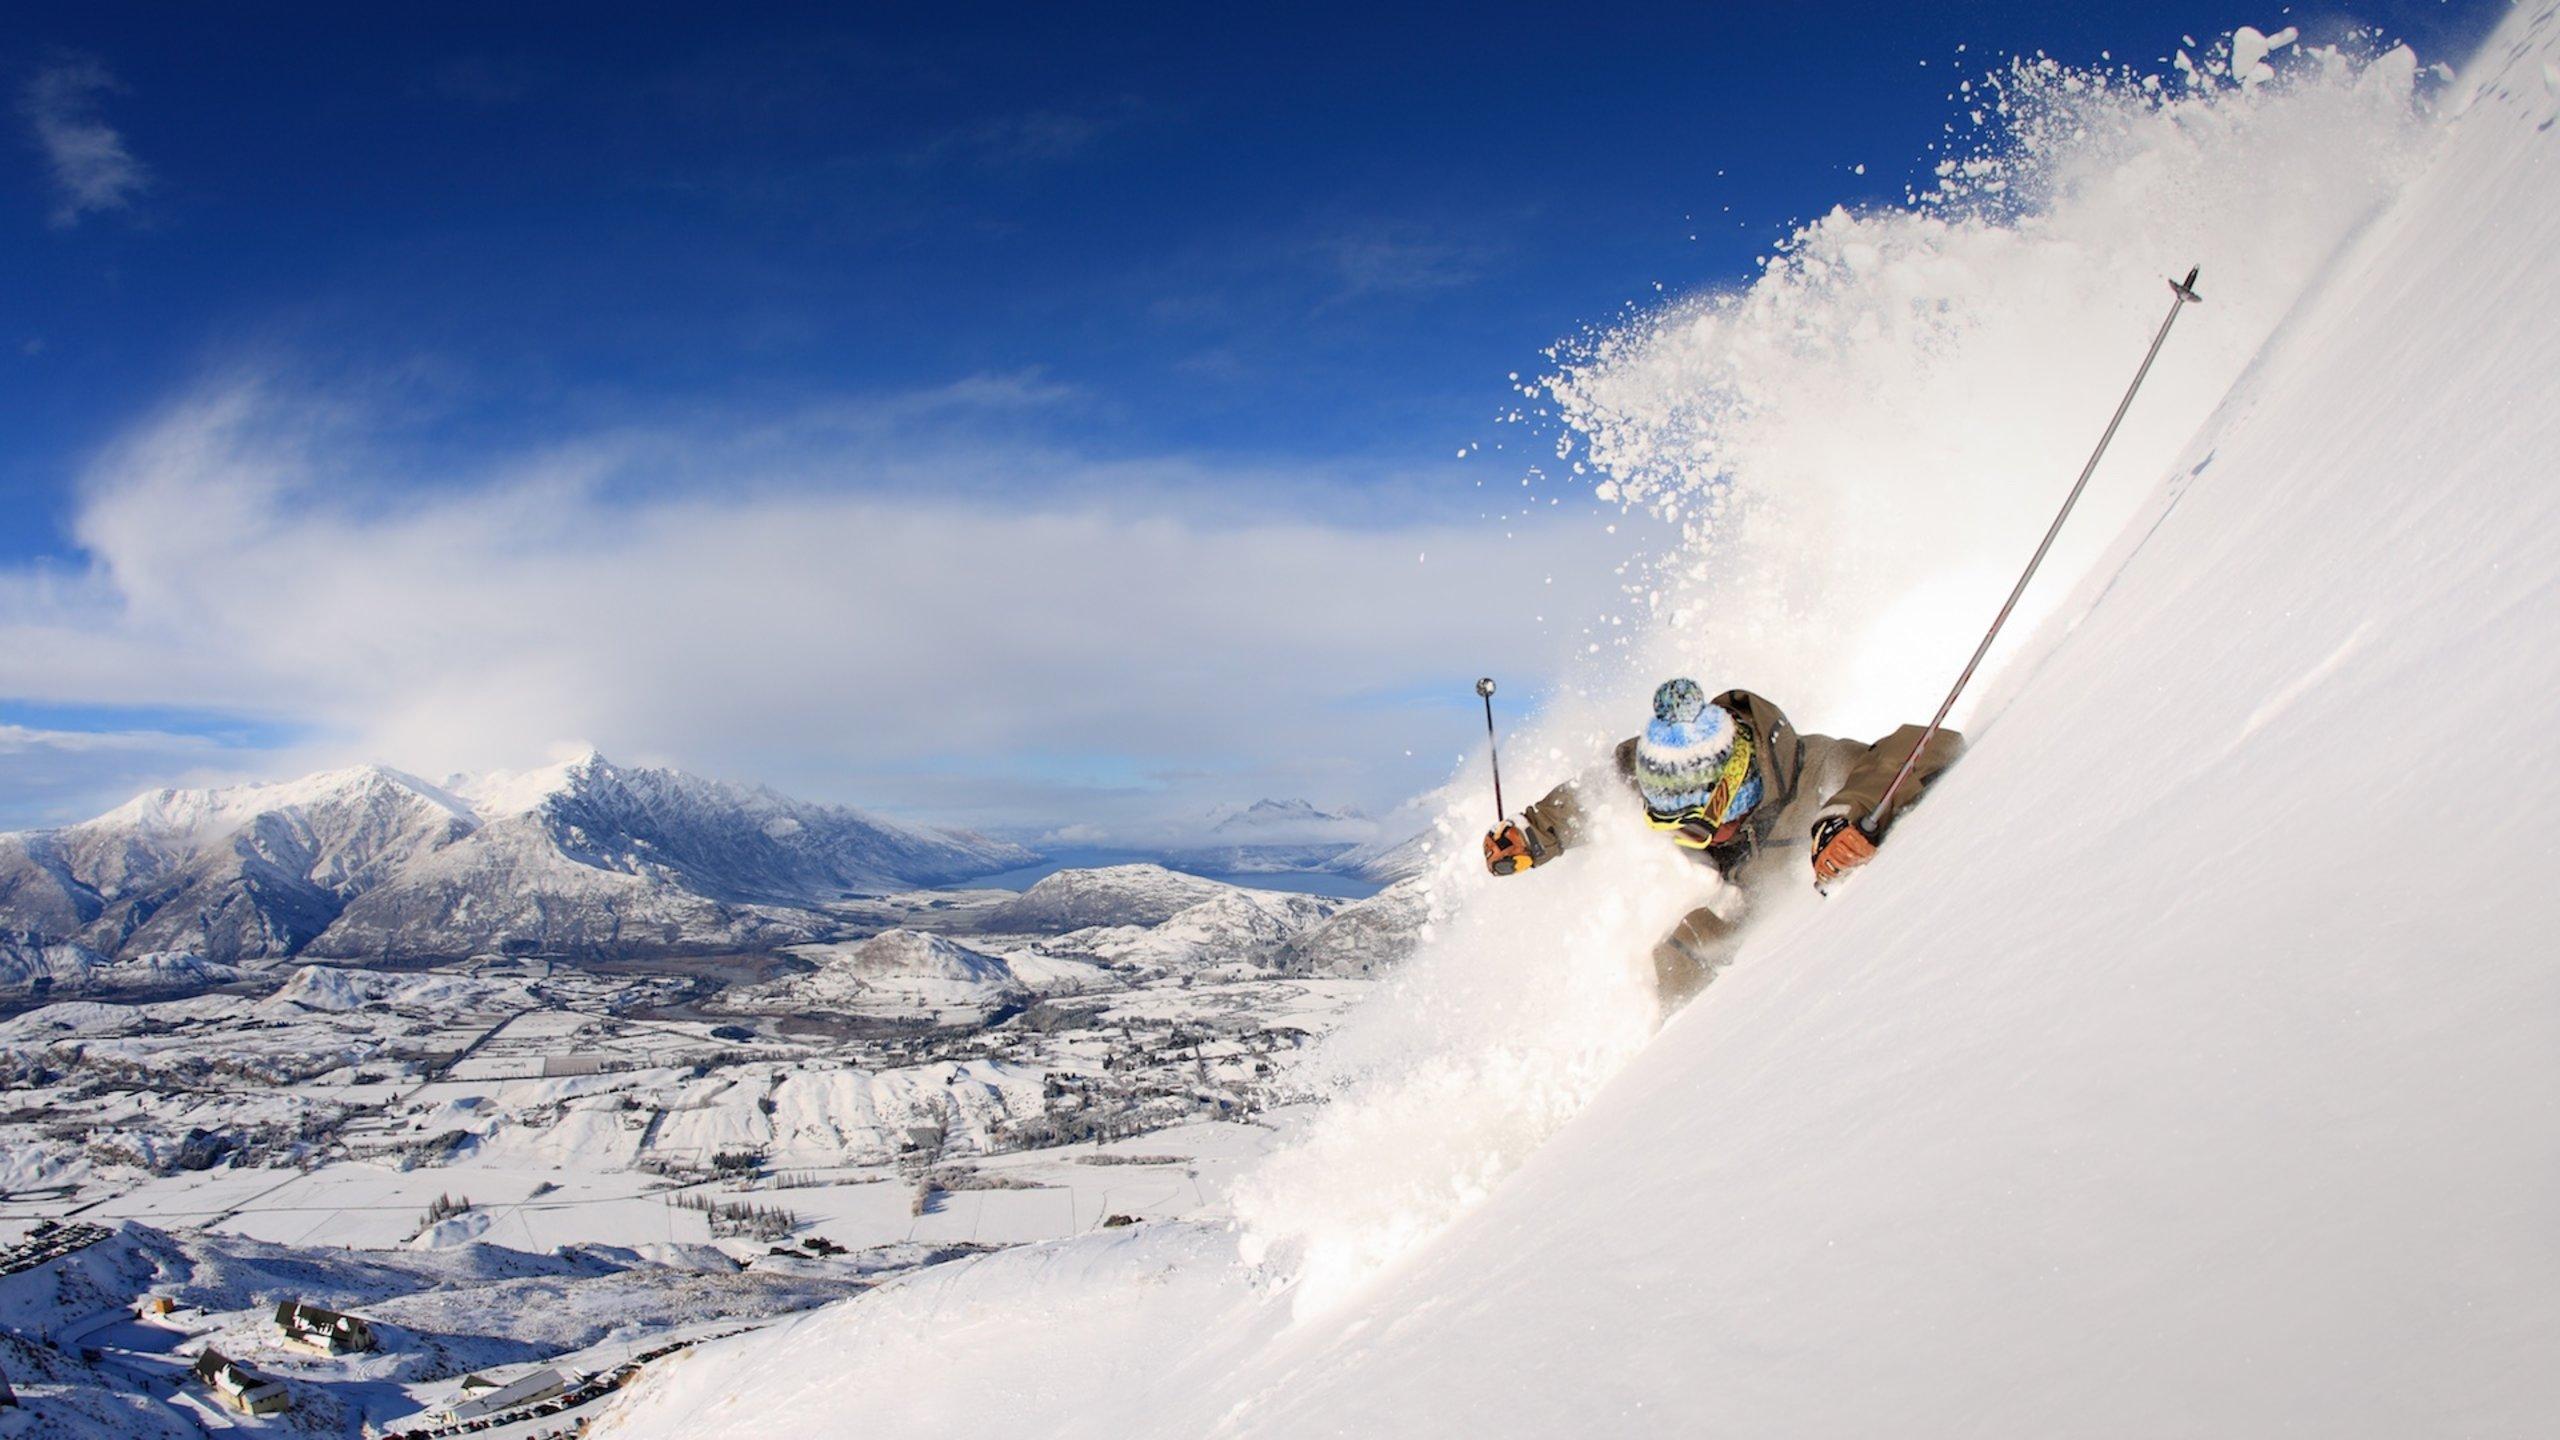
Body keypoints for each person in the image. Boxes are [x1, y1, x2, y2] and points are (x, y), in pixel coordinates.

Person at [1483, 678, 1962, 1005]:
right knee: (1676, 952)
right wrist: (1532, 833)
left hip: (1806, 935)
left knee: (1701, 947)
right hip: (1749, 907)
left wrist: (1843, 818)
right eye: (1670, 826)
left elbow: (1923, 748)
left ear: (1734, 789)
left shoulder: (1814, 770)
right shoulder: (1663, 769)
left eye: (1694, 825)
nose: (1692, 840)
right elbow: (1597, 795)